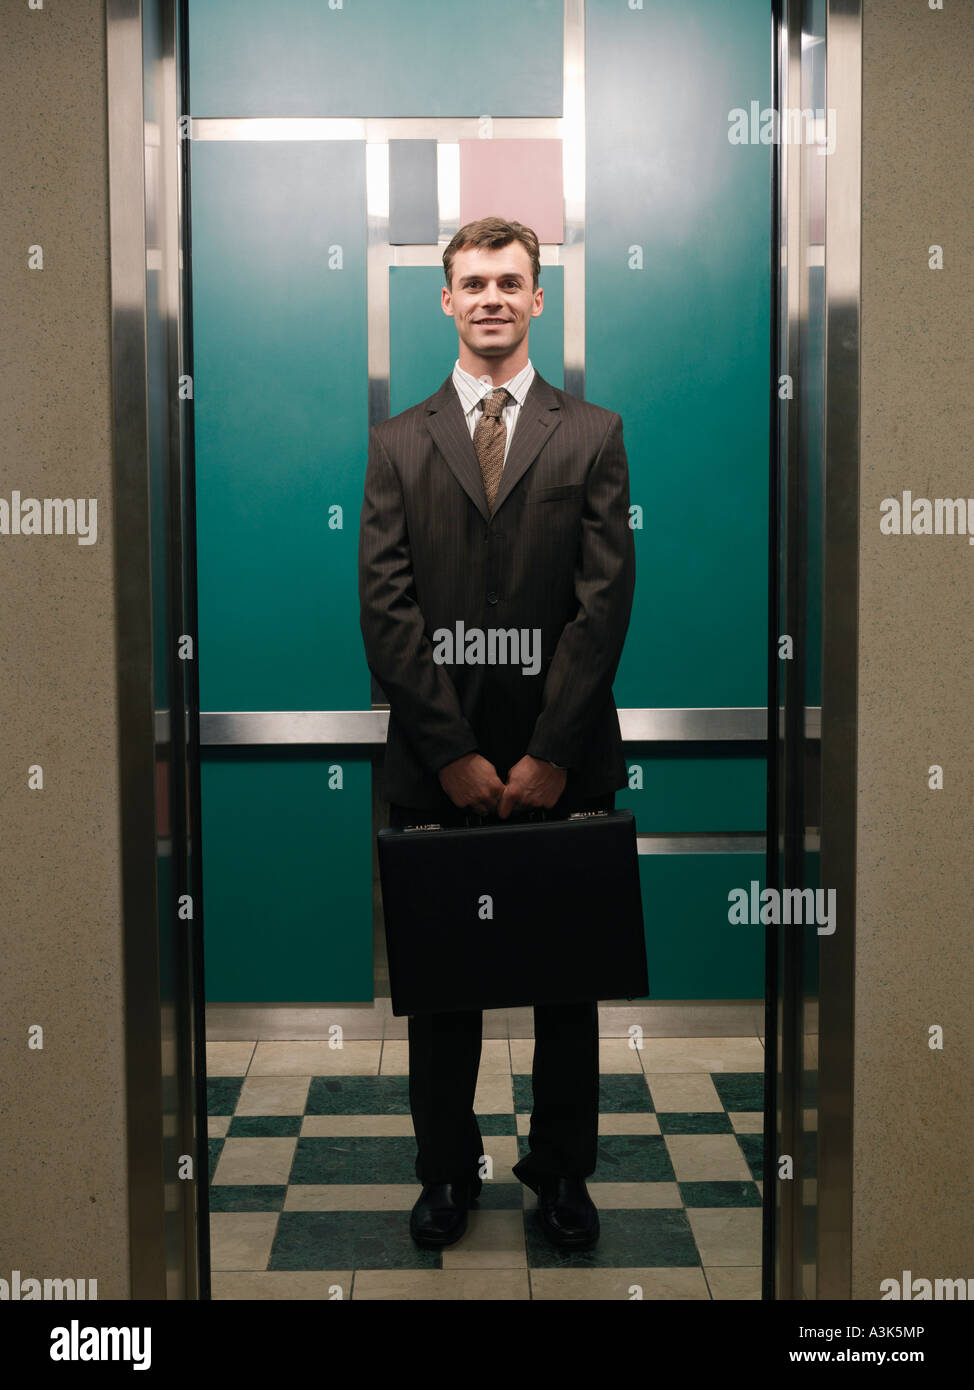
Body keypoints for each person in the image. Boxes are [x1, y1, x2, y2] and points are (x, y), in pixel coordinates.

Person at [358, 215, 635, 1250]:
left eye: (508, 281)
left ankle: (559, 1173)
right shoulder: (397, 441)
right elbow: (385, 608)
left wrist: (549, 750)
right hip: (440, 765)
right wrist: (455, 754)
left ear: (537, 298)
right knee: (444, 990)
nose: (489, 297)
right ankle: (446, 1172)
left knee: (566, 986)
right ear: (443, 298)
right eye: (471, 281)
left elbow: (602, 601)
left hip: (562, 759)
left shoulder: (592, 433)